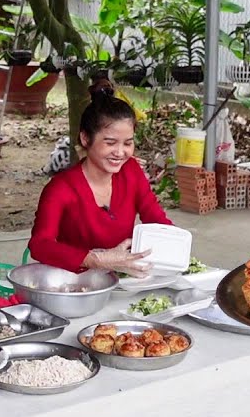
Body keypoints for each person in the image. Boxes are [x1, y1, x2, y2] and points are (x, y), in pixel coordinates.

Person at [28, 80, 168, 276]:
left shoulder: (131, 171)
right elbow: (40, 244)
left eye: (128, 143)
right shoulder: (61, 188)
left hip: (124, 278)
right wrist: (95, 260)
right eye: (110, 143)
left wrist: (176, 247)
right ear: (85, 139)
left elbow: (157, 220)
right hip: (77, 284)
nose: (120, 152)